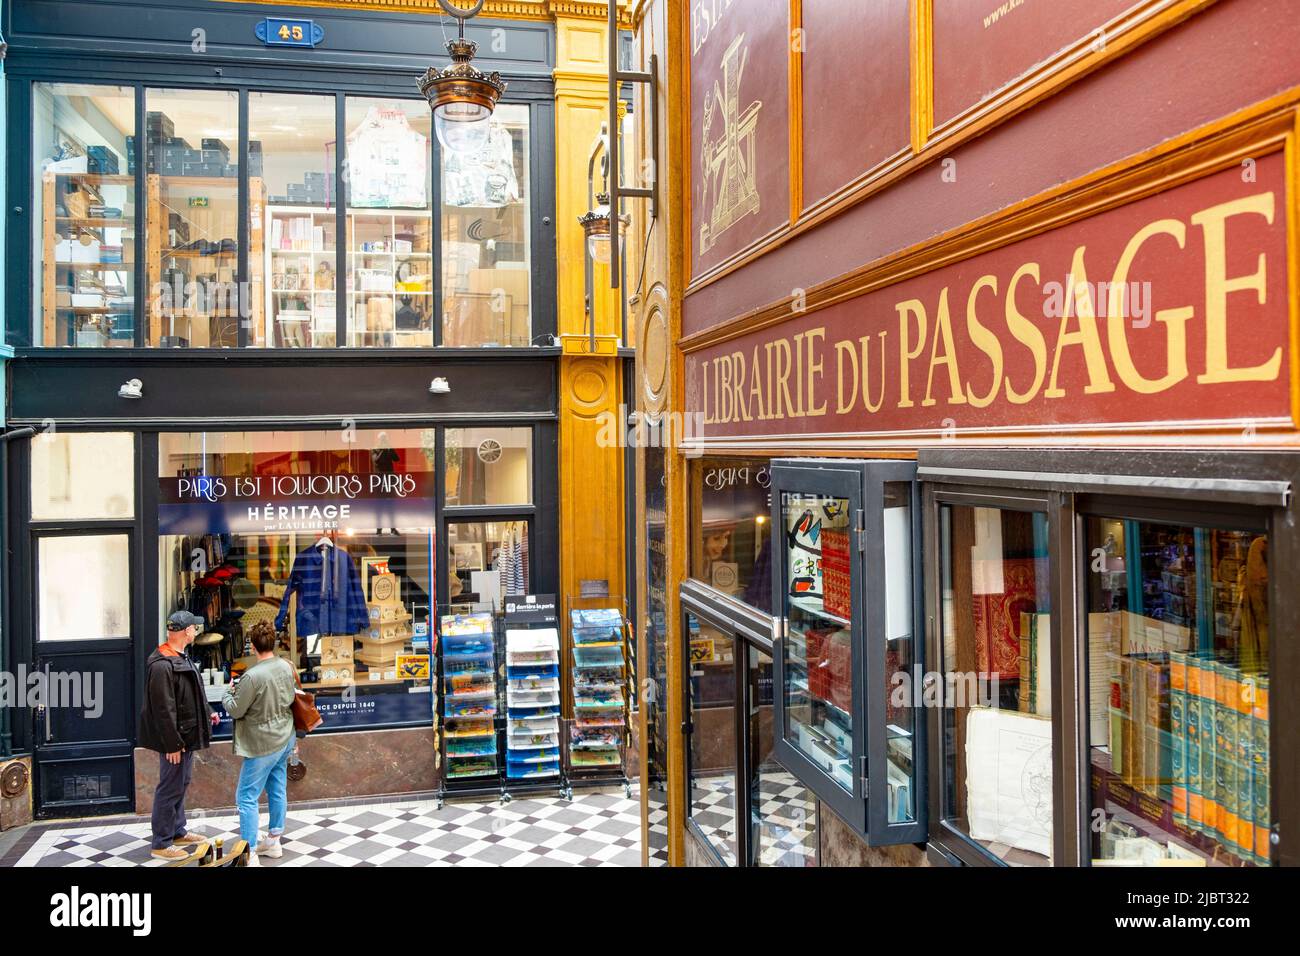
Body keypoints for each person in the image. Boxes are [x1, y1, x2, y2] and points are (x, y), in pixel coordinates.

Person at [138, 610, 220, 861]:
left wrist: (208, 712)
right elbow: (164, 708)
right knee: (170, 786)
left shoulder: (179, 657)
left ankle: (177, 831)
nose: (196, 631)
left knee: (181, 783)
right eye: (194, 628)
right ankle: (161, 842)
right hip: (176, 739)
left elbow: (189, 695)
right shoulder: (163, 664)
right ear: (186, 632)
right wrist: (172, 744)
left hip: (186, 735)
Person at [222, 621, 297, 866]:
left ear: (252, 646)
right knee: (277, 788)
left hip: (261, 744)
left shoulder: (252, 676)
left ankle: (249, 852)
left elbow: (235, 709)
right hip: (285, 736)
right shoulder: (286, 665)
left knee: (246, 796)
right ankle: (274, 840)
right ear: (273, 642)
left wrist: (226, 694)